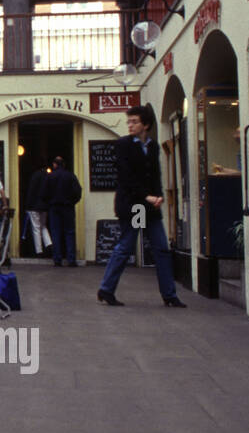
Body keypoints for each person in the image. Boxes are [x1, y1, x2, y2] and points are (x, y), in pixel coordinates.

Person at [97, 104, 186, 307]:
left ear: (145, 125)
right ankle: (106, 289)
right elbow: (126, 176)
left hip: (150, 206)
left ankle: (169, 295)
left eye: (134, 121)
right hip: (135, 206)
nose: (130, 125)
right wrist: (146, 197)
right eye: (129, 121)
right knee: (127, 246)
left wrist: (159, 196)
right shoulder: (124, 145)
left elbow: (155, 175)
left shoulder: (153, 146)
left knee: (162, 248)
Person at [42, 156, 82, 267]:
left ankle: (57, 259)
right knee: (69, 232)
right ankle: (71, 259)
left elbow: (44, 193)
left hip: (54, 207)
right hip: (68, 207)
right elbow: (78, 191)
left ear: (54, 165)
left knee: (55, 233)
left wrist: (49, 203)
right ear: (63, 164)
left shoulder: (50, 177)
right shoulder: (70, 176)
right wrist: (72, 202)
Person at [25, 161, 53, 257]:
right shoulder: (48, 176)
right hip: (44, 206)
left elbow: (31, 191)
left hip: (34, 206)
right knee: (43, 226)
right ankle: (49, 244)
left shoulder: (35, 176)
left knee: (36, 228)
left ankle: (39, 250)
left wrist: (28, 205)